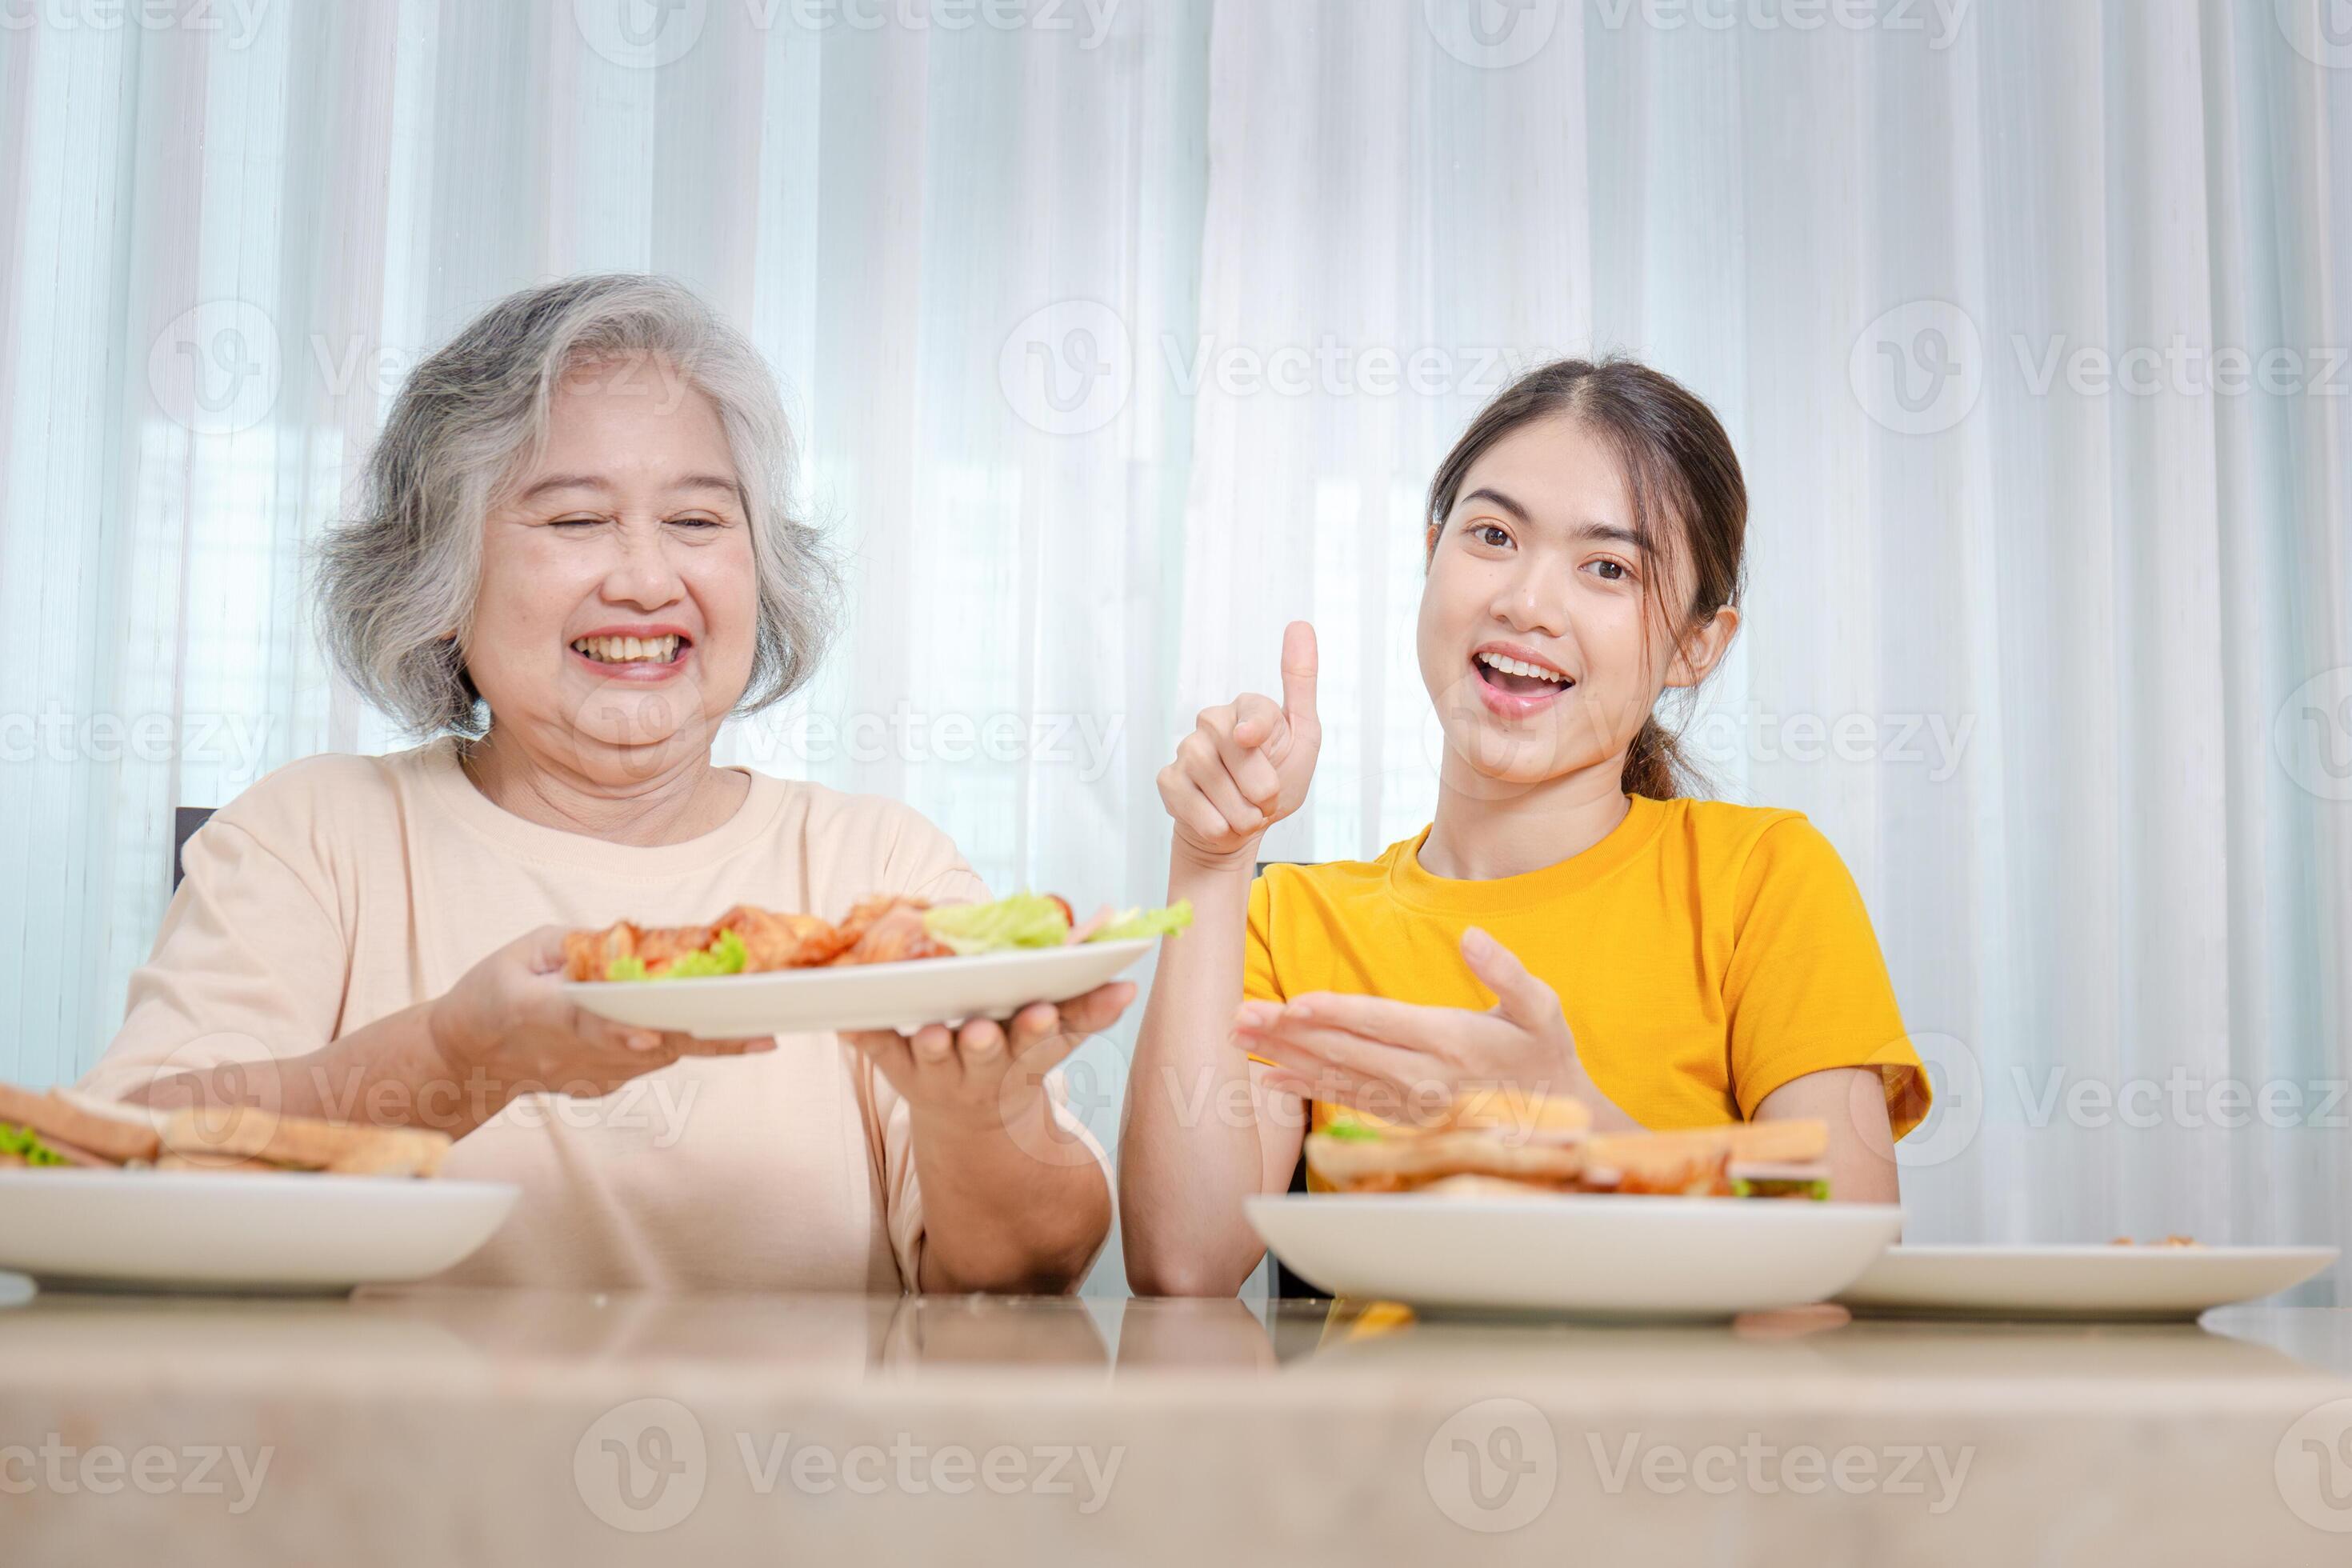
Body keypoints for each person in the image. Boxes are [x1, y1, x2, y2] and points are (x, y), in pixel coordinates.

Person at [84, 274, 1124, 1294]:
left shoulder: (878, 870)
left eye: (699, 522)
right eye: (577, 521)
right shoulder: (312, 834)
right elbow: (120, 1163)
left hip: (806, 1466)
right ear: (440, 578)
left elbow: (1034, 1271)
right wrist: (458, 1059)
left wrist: (977, 1114)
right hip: (388, 1467)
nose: (644, 578)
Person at [1119, 358, 1930, 1296]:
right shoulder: (1295, 917)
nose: (1527, 603)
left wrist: (1569, 1125)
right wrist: (1213, 866)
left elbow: (1847, 1274)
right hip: (1372, 1438)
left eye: (1608, 567)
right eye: (1494, 534)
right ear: (1431, 554)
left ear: (1697, 646)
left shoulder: (1764, 878)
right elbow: (1182, 1262)